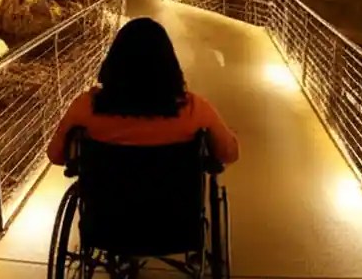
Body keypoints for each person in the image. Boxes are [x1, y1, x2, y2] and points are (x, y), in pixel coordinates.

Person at [47, 17, 239, 167]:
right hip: (175, 213)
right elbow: (229, 153)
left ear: (114, 62)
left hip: (105, 214)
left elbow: (55, 155)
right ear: (168, 65)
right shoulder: (195, 110)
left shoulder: (86, 107)